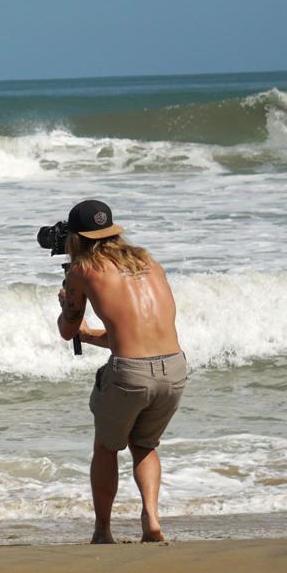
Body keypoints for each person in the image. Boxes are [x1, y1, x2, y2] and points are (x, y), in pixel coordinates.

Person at [57, 200, 187, 544]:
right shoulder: (148, 262)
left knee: (106, 447)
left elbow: (67, 331)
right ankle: (151, 519)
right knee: (144, 444)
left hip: (130, 374)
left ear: (77, 238)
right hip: (175, 366)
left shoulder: (82, 270)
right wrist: (89, 335)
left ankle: (103, 530)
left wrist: (66, 305)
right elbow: (133, 333)